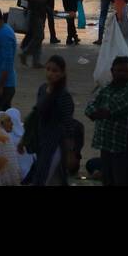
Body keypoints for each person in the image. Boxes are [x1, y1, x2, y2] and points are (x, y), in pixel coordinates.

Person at [86, 55, 128, 185]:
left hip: (122, 144)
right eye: (119, 71)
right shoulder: (106, 88)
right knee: (108, 178)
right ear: (112, 71)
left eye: (126, 71)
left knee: (119, 178)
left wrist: (98, 112)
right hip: (106, 142)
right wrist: (99, 111)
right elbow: (90, 107)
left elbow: (112, 108)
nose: (122, 74)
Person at [25, 55, 75, 185]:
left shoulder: (64, 96)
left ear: (62, 73)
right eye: (48, 69)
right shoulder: (42, 89)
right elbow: (36, 115)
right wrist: (24, 139)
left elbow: (68, 124)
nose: (50, 73)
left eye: (55, 71)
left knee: (44, 177)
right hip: (41, 140)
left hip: (55, 143)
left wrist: (70, 152)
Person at [19, 0, 53, 68]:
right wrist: (36, 0)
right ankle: (25, 53)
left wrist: (50, 9)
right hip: (34, 12)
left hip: (43, 12)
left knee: (37, 36)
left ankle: (36, 61)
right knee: (39, 36)